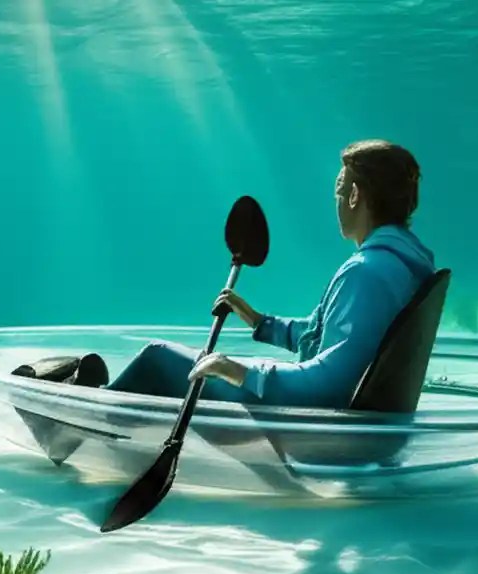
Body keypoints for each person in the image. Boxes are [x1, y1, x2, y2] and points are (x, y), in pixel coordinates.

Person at [42, 139, 437, 410]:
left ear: (354, 195)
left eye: (339, 187)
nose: (335, 199)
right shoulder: (398, 265)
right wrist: (258, 321)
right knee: (195, 362)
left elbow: (331, 382)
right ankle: (101, 397)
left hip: (305, 422)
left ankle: (85, 420)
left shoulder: (367, 273)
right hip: (315, 410)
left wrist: (241, 371)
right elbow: (326, 340)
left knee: (157, 357)